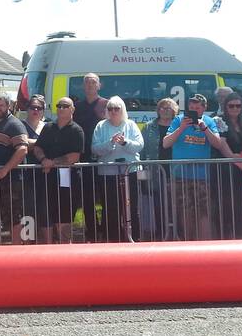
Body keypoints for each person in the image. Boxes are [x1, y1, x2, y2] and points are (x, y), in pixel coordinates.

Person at [161, 93, 231, 241]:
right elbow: (166, 143)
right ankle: (189, 244)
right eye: (191, 108)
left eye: (197, 108)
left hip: (201, 176)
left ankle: (204, 245)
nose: (194, 110)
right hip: (180, 176)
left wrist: (204, 128)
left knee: (204, 213)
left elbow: (217, 144)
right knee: (185, 213)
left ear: (204, 108)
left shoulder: (209, 122)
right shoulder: (178, 120)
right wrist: (181, 128)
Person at [90, 96, 143, 242]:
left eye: (117, 108)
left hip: (129, 172)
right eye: (110, 108)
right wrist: (110, 143)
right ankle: (112, 239)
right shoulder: (101, 126)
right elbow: (95, 148)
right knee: (110, 207)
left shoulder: (131, 125)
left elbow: (139, 145)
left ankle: (134, 238)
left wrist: (125, 142)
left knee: (132, 206)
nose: (113, 111)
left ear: (122, 109)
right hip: (108, 173)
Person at [32, 97, 83, 243]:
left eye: (65, 106)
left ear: (72, 109)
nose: (61, 108)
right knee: (45, 210)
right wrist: (43, 160)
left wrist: (51, 162)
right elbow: (37, 147)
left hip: (66, 177)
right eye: (59, 105)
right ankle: (48, 247)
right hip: (47, 176)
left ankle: (65, 245)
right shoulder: (48, 127)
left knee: (65, 212)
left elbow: (74, 156)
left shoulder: (76, 130)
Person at [0, 93, 28, 245]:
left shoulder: (15, 124)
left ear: (8, 106)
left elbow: (22, 149)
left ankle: (16, 249)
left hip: (11, 178)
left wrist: (5, 170)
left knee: (13, 214)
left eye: (1, 105)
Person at [70, 73, 108, 244]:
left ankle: (107, 229)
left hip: (105, 156)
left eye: (93, 82)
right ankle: (92, 231)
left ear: (99, 85)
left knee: (107, 196)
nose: (90, 85)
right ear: (83, 86)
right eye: (87, 82)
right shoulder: (77, 107)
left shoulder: (107, 105)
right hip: (85, 158)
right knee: (88, 198)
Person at [214, 91, 242, 239]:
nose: (235, 109)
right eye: (231, 106)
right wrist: (234, 157)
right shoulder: (219, 121)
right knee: (226, 206)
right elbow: (223, 146)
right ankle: (224, 238)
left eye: (238, 106)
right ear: (226, 107)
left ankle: (241, 237)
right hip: (226, 171)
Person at [140, 97, 178, 240]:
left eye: (167, 108)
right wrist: (142, 171)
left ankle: (176, 234)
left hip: (174, 170)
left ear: (174, 111)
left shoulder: (178, 126)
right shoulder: (149, 126)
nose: (163, 110)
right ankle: (161, 234)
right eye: (161, 108)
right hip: (155, 171)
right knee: (158, 204)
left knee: (175, 205)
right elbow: (142, 151)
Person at [19, 94, 48, 239]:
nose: (36, 110)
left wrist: (33, 143)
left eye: (39, 108)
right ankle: (28, 241)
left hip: (46, 173)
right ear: (27, 109)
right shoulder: (21, 125)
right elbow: (22, 143)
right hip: (26, 174)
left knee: (45, 208)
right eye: (33, 107)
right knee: (27, 208)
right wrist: (42, 143)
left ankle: (45, 243)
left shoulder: (48, 125)